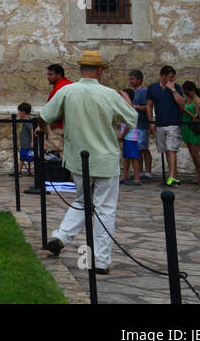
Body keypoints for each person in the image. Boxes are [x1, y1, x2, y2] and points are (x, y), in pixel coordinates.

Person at [40, 50, 137, 274]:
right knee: (105, 209)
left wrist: (43, 132)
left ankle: (61, 236)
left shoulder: (67, 91)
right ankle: (100, 261)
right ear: (100, 71)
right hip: (104, 158)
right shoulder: (109, 94)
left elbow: (45, 116)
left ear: (81, 69)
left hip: (78, 158)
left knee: (83, 200)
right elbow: (131, 118)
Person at [147, 65, 185, 186]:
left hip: (173, 122)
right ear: (163, 76)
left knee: (171, 149)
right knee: (165, 150)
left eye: (173, 77)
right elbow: (149, 105)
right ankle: (175, 176)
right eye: (170, 77)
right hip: (160, 123)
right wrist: (151, 121)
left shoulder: (176, 87)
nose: (172, 80)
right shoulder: (153, 88)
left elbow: (181, 102)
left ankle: (172, 177)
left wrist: (173, 89)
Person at [180, 81, 200, 187]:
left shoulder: (197, 101)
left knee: (196, 154)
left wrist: (185, 110)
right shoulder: (187, 99)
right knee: (192, 155)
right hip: (186, 127)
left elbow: (196, 117)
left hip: (194, 128)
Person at [40, 63, 73, 154]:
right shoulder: (70, 84)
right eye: (48, 74)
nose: (48, 77)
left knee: (58, 154)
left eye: (50, 74)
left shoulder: (58, 89)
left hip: (59, 128)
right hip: (72, 126)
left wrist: (55, 121)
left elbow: (49, 111)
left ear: (59, 75)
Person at [127, 70, 153, 181]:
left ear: (139, 80)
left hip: (142, 124)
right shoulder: (133, 92)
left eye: (132, 79)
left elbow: (147, 107)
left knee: (144, 148)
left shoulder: (143, 92)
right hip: (135, 125)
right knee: (138, 149)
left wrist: (135, 107)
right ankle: (140, 171)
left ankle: (148, 172)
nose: (130, 81)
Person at [17, 102, 36, 176]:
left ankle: (19, 172)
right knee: (22, 158)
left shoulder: (27, 120)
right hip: (24, 143)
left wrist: (32, 141)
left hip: (27, 144)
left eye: (19, 111)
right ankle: (18, 171)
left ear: (23, 112)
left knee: (28, 157)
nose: (18, 113)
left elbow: (32, 130)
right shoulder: (24, 119)